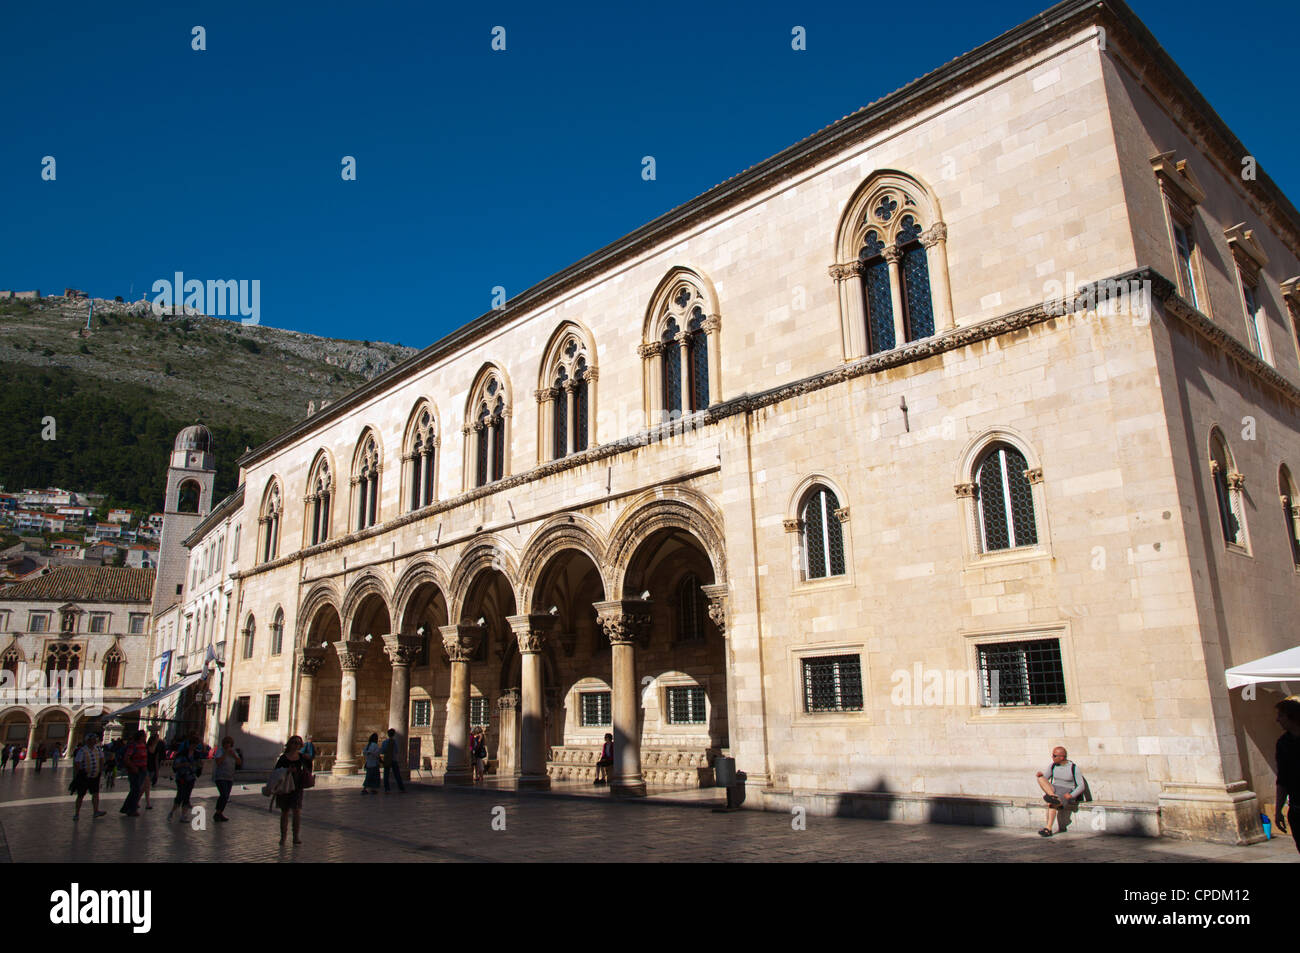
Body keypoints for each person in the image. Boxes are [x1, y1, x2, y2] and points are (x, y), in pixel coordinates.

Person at [1035, 745, 1086, 836]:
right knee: (1040, 779)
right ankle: (1053, 796)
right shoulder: (1053, 766)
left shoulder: (1073, 768)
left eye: (1054, 756)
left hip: (1066, 790)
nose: (1052, 757)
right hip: (1053, 789)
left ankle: (1048, 828)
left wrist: (1072, 795)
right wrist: (1040, 776)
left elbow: (1081, 786)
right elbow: (1045, 779)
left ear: (1062, 757)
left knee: (1052, 804)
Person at [1272, 698, 1300, 855]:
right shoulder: (1283, 743)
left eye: (1280, 715)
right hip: (1297, 809)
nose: (1277, 720)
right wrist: (1278, 810)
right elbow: (1282, 780)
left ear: (1291, 717)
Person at [274, 736, 312, 845]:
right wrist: (287, 770)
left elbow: (308, 769)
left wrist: (308, 760)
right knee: (285, 812)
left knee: (297, 811)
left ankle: (295, 836)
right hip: (285, 787)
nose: (296, 745)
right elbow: (276, 772)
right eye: (294, 743)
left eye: (298, 743)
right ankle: (283, 837)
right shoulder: (283, 758)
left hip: (297, 786)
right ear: (290, 744)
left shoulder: (301, 757)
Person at [71, 734, 107, 820]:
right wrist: (78, 774)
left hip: (95, 776)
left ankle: (96, 811)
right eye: (93, 739)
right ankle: (77, 813)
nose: (95, 741)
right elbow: (77, 763)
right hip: (85, 777)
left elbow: (102, 759)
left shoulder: (98, 749)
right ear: (88, 741)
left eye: (95, 739)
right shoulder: (82, 751)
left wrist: (101, 769)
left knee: (95, 793)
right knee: (81, 795)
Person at [119, 730, 148, 817]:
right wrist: (133, 767)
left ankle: (127, 808)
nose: (145, 738)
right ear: (140, 737)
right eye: (144, 736)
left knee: (136, 790)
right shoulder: (133, 745)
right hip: (135, 770)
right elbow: (126, 758)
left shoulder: (143, 745)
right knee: (136, 790)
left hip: (142, 770)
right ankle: (131, 809)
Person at [213, 736, 242, 822]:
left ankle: (219, 813)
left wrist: (234, 755)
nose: (227, 745)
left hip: (229, 777)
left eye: (229, 743)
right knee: (224, 794)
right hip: (220, 777)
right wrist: (225, 753)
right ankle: (217, 812)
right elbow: (218, 762)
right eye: (226, 743)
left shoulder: (233, 752)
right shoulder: (220, 751)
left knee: (226, 796)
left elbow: (239, 762)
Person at [168, 742, 198, 822]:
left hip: (191, 777)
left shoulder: (196, 754)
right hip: (182, 777)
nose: (194, 746)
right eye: (193, 744)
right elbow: (175, 765)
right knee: (180, 795)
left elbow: (198, 764)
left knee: (187, 796)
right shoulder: (182, 754)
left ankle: (183, 815)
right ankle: (172, 812)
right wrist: (184, 764)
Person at [381, 728, 405, 793]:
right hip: (394, 759)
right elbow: (397, 751)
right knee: (397, 774)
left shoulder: (384, 742)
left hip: (387, 759)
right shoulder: (395, 742)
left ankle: (387, 789)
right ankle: (401, 788)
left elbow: (382, 751)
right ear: (394, 734)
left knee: (386, 775)